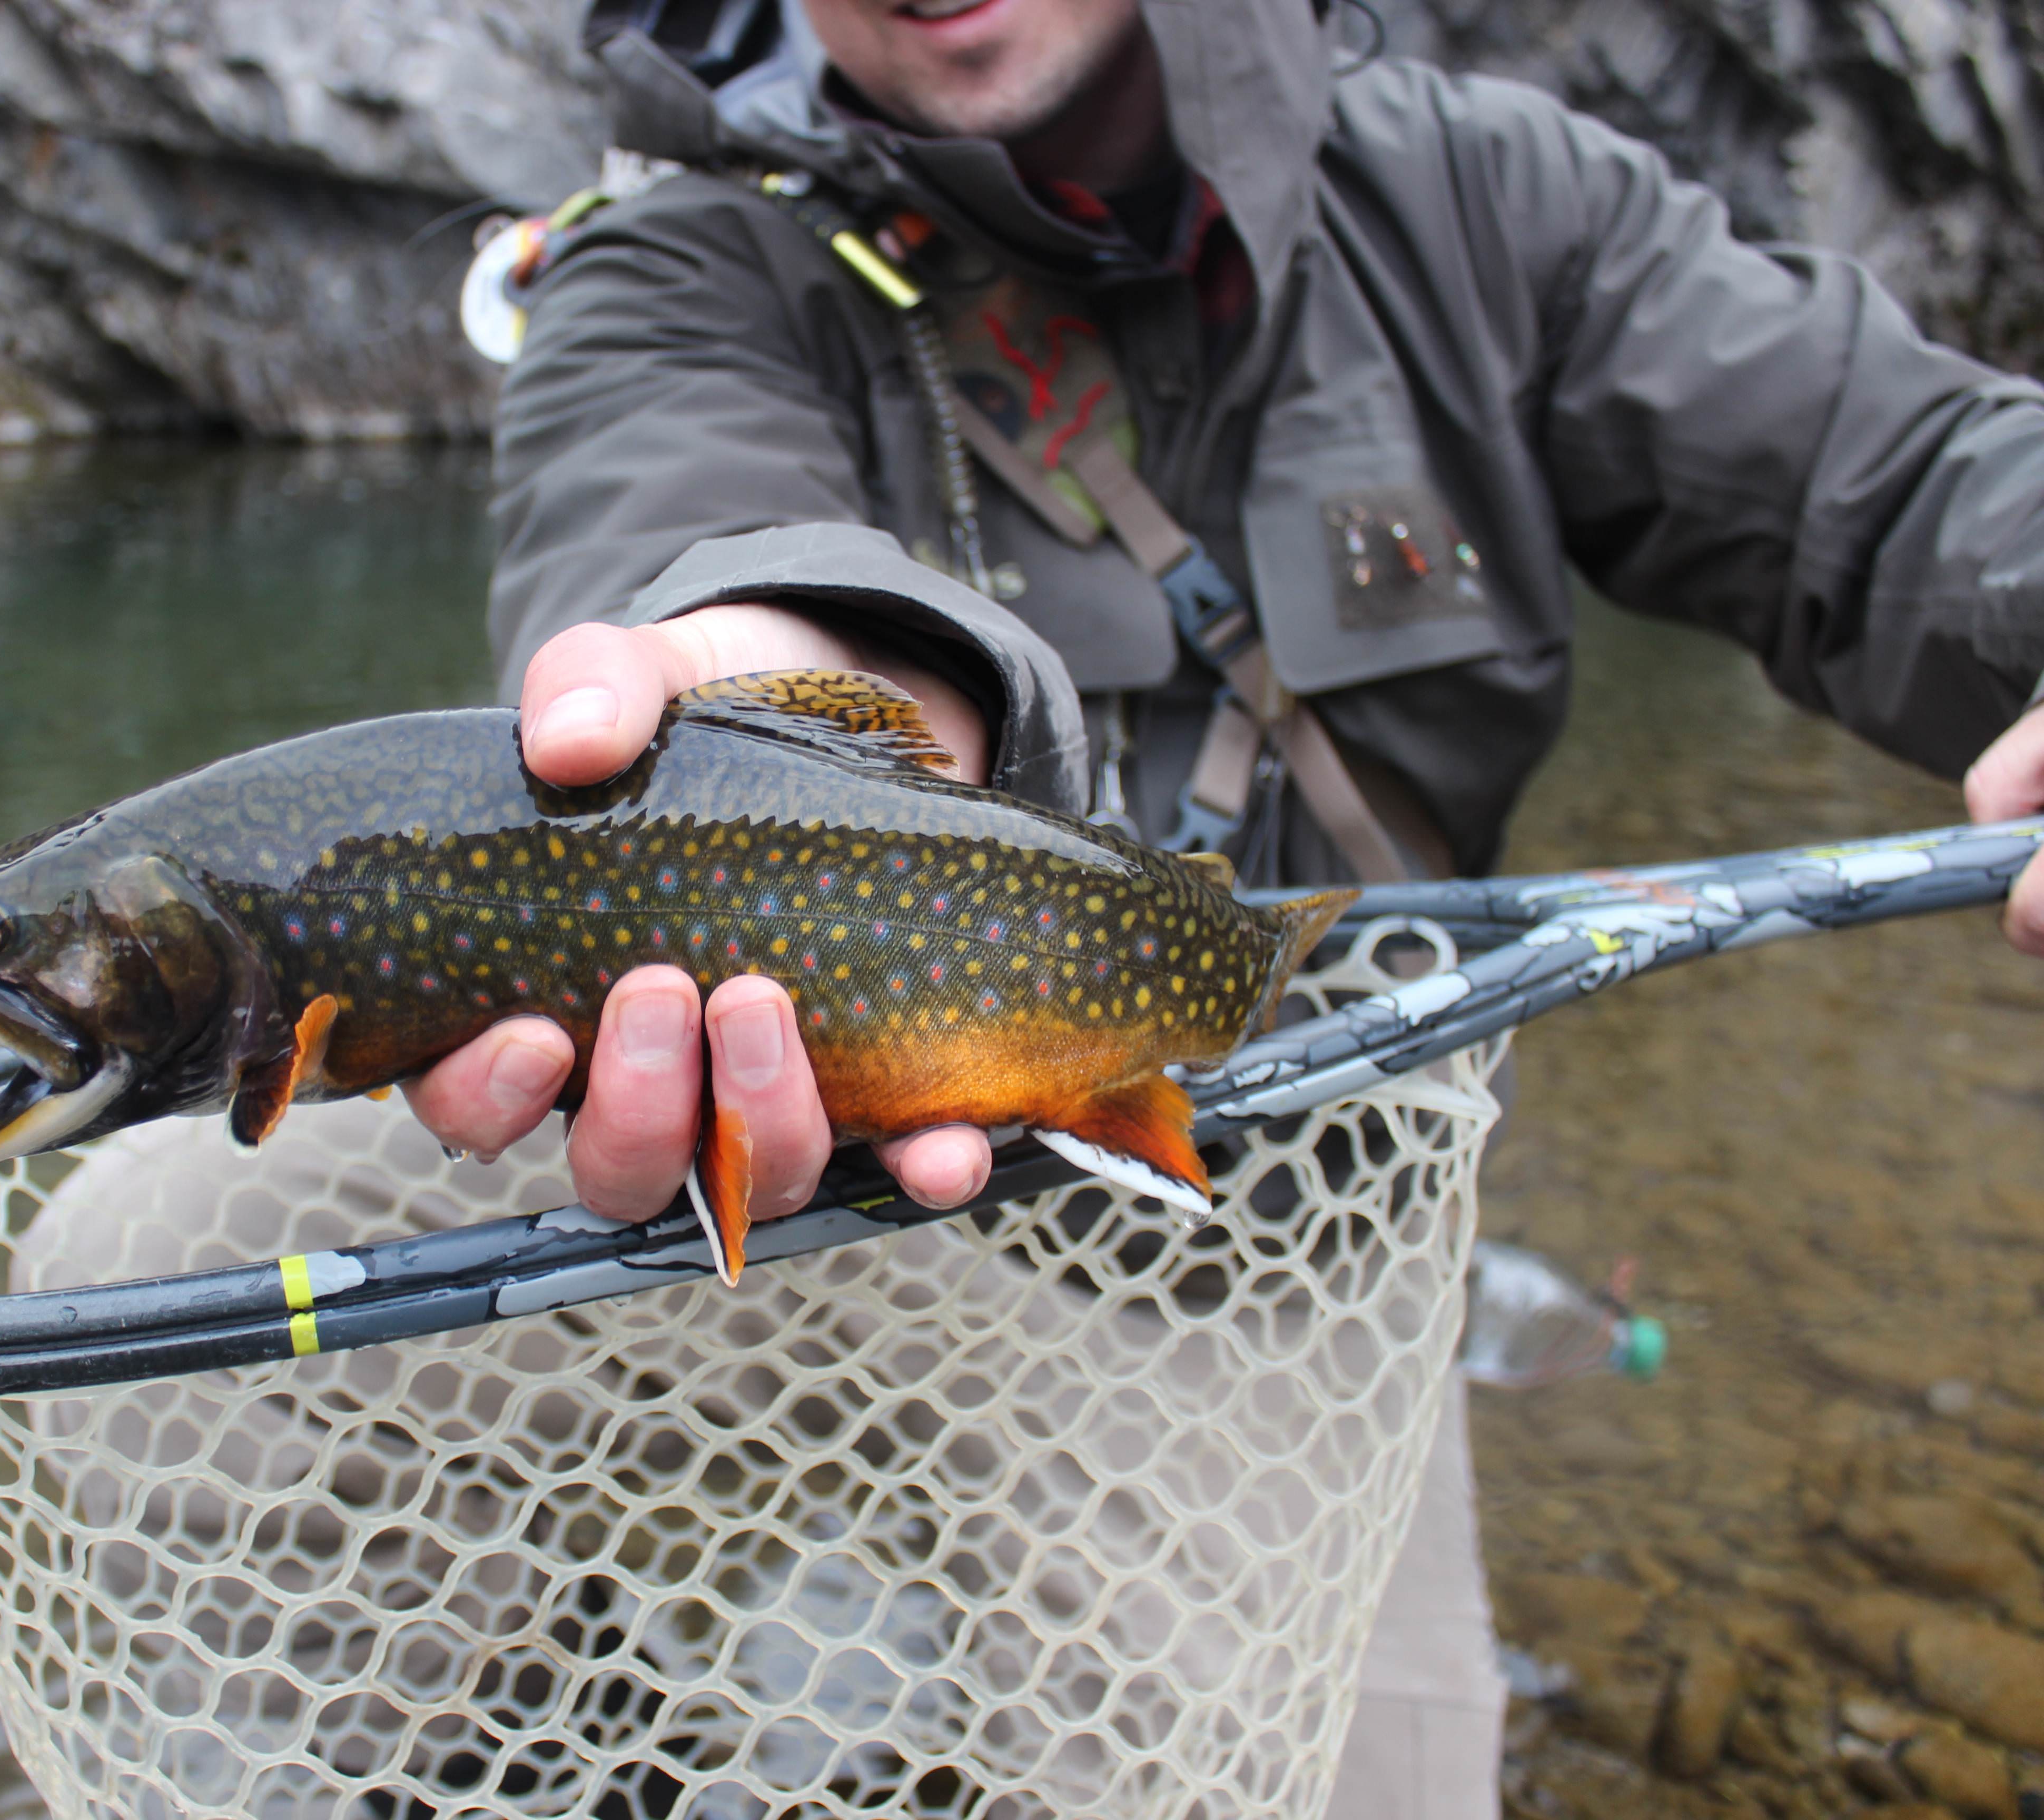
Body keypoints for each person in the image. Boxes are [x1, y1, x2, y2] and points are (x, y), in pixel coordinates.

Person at [395, 0, 2044, 1809]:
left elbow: (1904, 481)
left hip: (1281, 1257)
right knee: (184, 1232)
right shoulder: (664, 269)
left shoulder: (1486, 202)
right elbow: (661, 503)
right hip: (771, 1176)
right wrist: (818, 667)